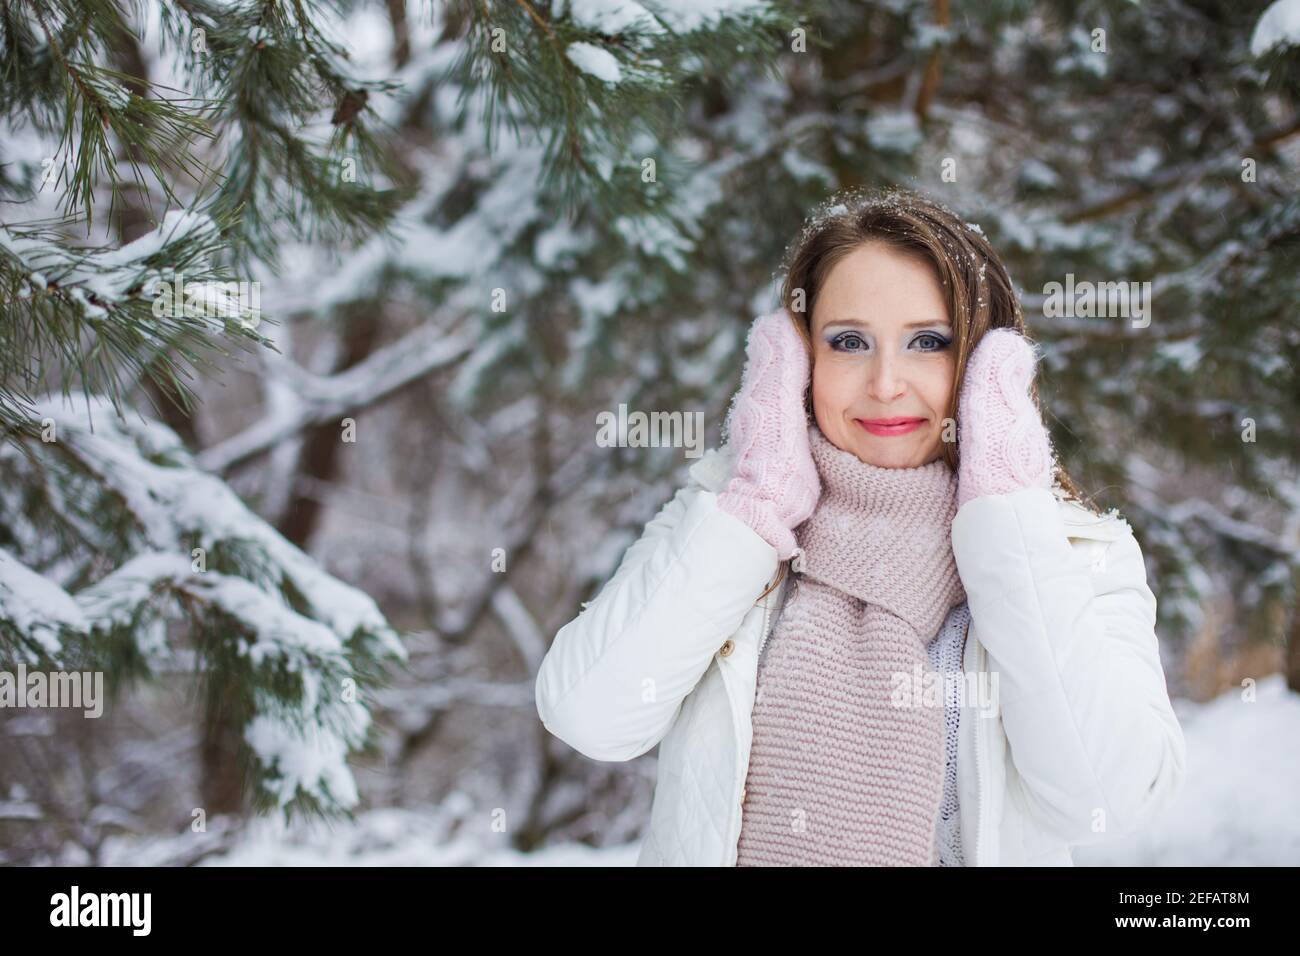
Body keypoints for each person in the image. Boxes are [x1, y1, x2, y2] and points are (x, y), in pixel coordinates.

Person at [534, 188, 1187, 866]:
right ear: (799, 357)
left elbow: (1107, 801)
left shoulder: (1080, 554)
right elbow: (591, 716)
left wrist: (1009, 521)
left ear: (985, 363)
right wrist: (759, 503)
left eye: (928, 343)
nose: (885, 383)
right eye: (848, 342)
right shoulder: (725, 528)